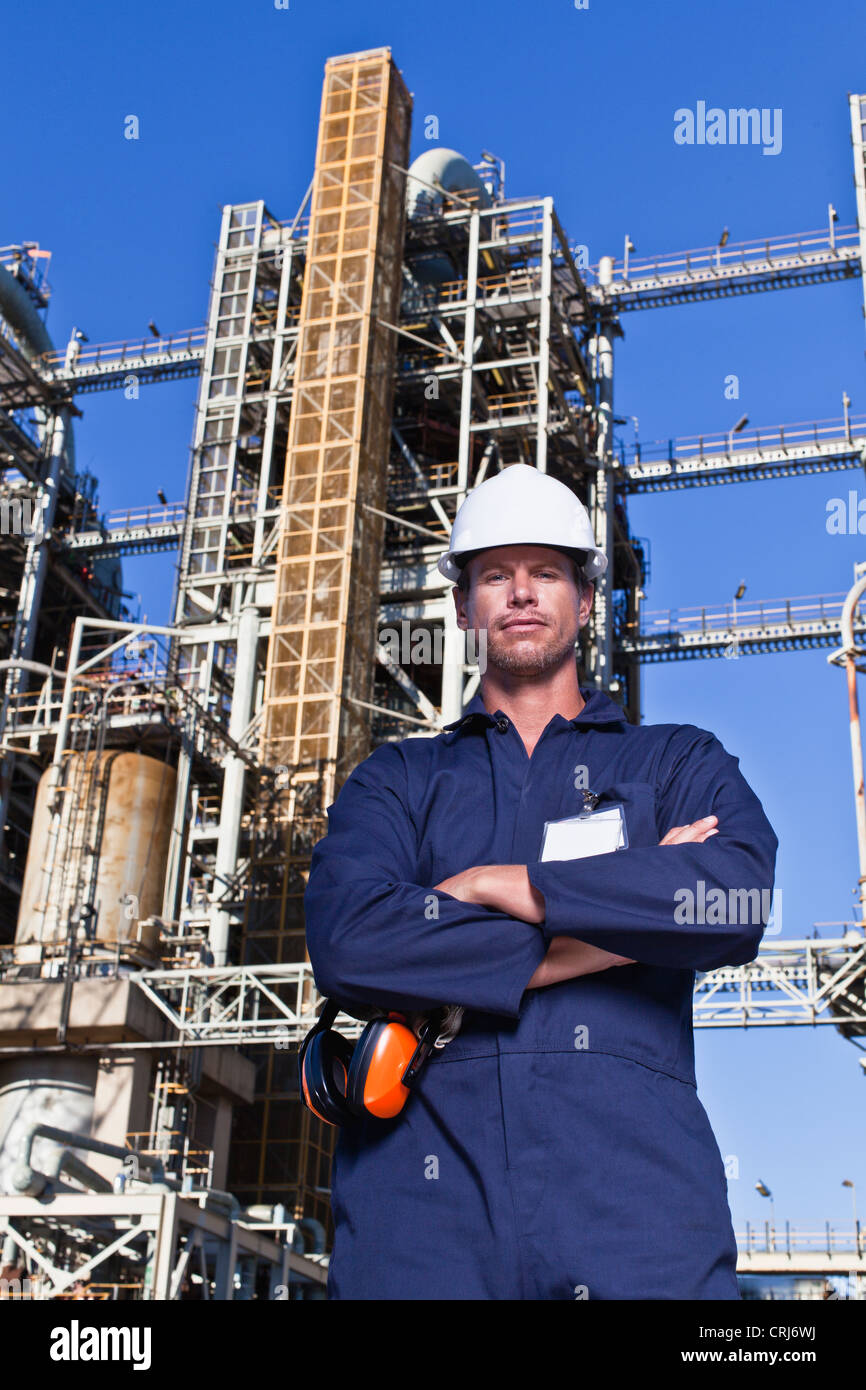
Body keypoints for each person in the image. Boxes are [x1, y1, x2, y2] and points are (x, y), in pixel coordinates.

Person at [304, 463, 778, 1301]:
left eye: (546, 573)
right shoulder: (398, 781)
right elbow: (350, 942)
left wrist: (500, 883)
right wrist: (615, 924)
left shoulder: (672, 760)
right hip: (420, 1232)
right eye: (495, 575)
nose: (521, 593)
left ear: (585, 600)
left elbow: (735, 896)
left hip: (640, 1227)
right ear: (462, 608)